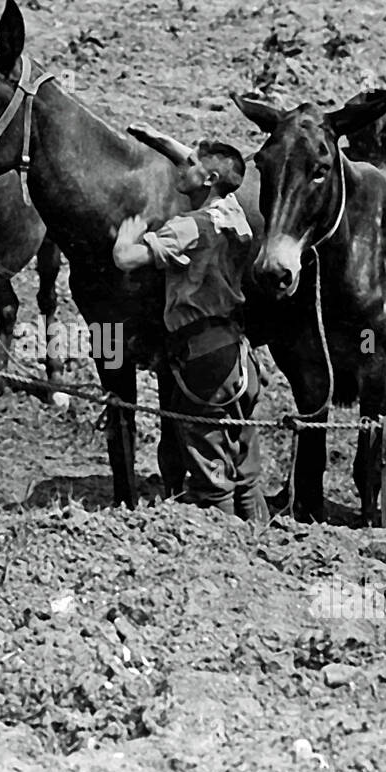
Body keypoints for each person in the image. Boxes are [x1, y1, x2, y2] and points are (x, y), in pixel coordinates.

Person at [112, 125, 268, 524]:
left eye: (192, 163)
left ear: (210, 178)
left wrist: (124, 239)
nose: (183, 167)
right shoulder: (236, 217)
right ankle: (262, 546)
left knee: (209, 472)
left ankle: (226, 555)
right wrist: (158, 139)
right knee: (244, 468)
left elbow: (128, 261)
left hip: (203, 363)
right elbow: (218, 171)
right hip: (237, 356)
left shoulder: (187, 228)